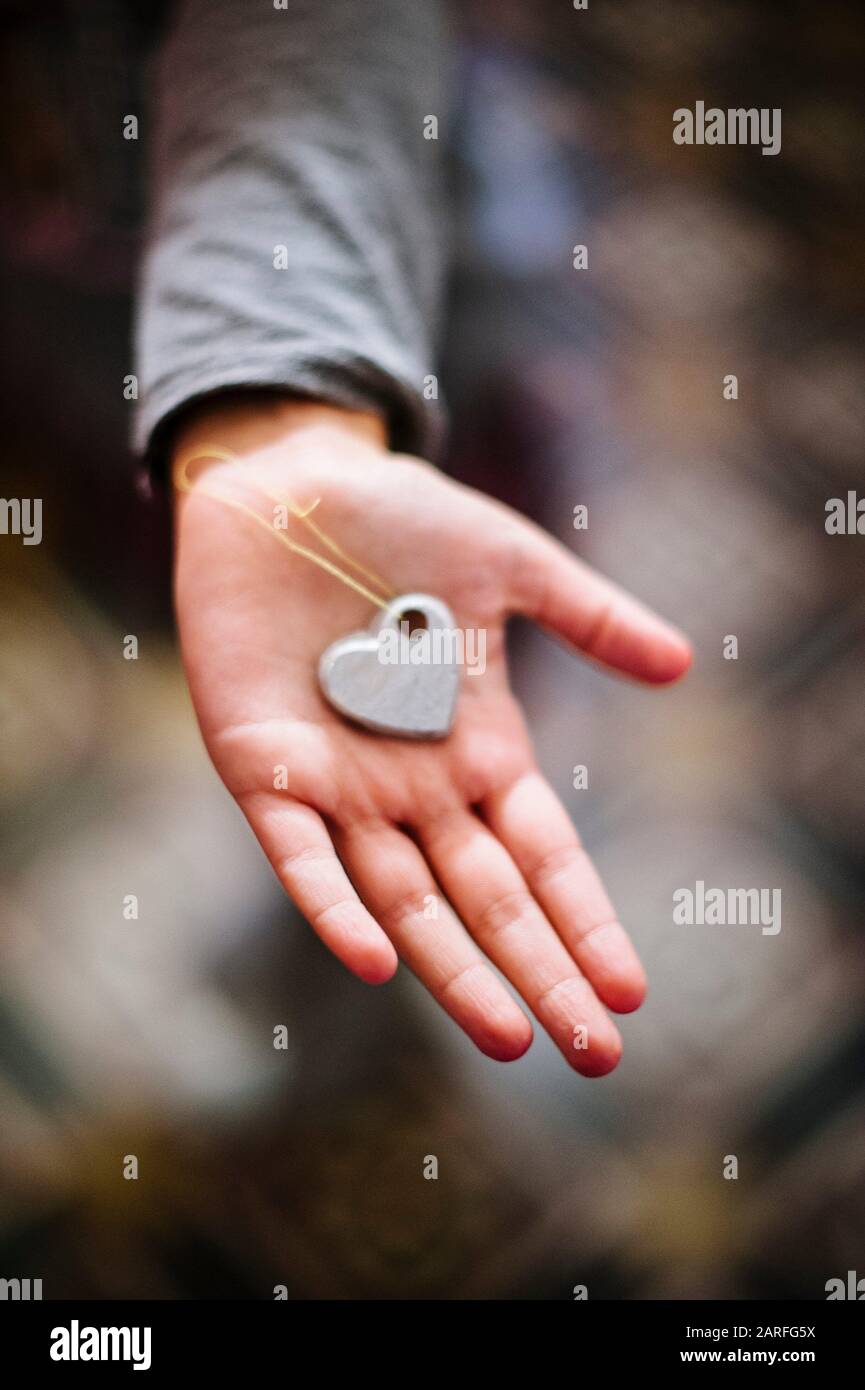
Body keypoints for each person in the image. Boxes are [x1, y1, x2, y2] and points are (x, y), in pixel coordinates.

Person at [135, 0, 691, 1078]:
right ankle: (329, 847)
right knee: (209, 628)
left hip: (433, 299)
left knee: (486, 596)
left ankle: (399, 819)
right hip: (118, 387)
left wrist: (279, 406)